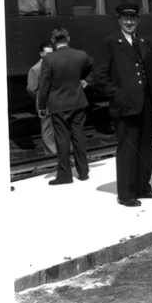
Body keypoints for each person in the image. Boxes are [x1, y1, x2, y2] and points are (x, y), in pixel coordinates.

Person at [94, 2, 152, 207]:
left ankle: (143, 187)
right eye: (125, 19)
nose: (129, 22)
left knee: (144, 146)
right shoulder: (109, 43)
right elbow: (100, 76)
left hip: (147, 104)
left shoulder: (145, 42)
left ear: (138, 20)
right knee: (128, 148)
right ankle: (125, 194)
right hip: (125, 105)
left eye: (132, 19)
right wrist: (118, 95)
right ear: (119, 20)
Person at [36, 27, 94, 185]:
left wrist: (42, 106)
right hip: (78, 102)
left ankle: (64, 175)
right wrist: (86, 81)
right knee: (79, 136)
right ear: (68, 38)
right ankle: (83, 172)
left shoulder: (49, 59)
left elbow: (44, 85)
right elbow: (96, 68)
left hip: (58, 104)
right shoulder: (81, 55)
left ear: (53, 41)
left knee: (62, 139)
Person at [27, 43, 57, 154]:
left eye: (52, 53)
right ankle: (52, 155)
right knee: (48, 132)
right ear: (41, 54)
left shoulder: (54, 65)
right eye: (48, 53)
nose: (51, 55)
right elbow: (32, 89)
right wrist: (42, 99)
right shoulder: (35, 69)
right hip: (46, 105)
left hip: (57, 104)